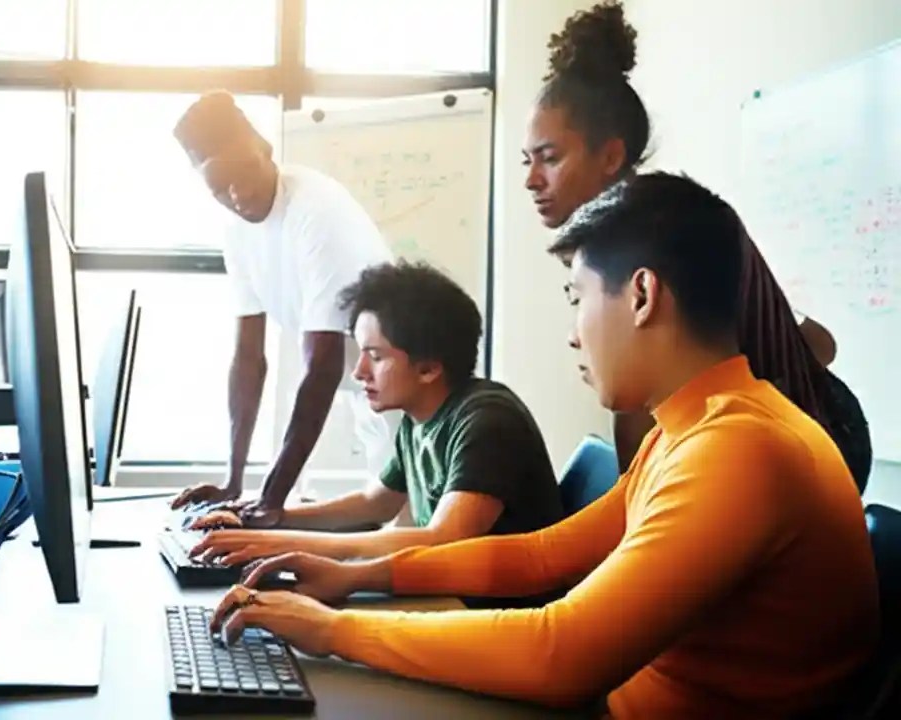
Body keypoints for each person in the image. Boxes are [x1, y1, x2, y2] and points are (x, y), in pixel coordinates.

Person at [208, 173, 879, 718]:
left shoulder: (740, 448)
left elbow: (560, 654)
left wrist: (330, 631)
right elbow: (542, 556)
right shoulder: (695, 429)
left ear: (641, 295)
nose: (574, 332)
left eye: (576, 297)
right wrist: (359, 578)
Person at [521, 0, 873, 491]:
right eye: (526, 163)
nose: (532, 181)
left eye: (549, 158)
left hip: (816, 443)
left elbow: (817, 347)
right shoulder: (628, 236)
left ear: (611, 155)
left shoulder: (669, 231)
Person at [188, 261, 563, 566]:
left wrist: (276, 544)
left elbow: (441, 541)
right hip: (453, 602)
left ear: (429, 368)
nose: (358, 372)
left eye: (377, 356)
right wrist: (268, 519)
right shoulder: (419, 417)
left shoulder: (485, 423)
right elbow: (376, 502)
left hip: (498, 619)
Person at [166, 91, 396, 527]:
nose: (238, 194)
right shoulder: (237, 231)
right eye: (219, 187)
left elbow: (323, 366)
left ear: (265, 150)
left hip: (414, 404)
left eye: (245, 172)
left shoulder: (316, 211)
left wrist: (271, 499)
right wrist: (233, 482)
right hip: (368, 397)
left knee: (406, 555)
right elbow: (248, 359)